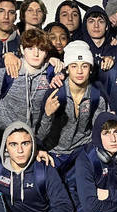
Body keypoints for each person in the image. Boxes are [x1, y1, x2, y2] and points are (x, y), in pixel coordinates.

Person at [37, 41, 111, 178]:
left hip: (82, 151)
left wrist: (108, 122)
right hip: (55, 153)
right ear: (67, 68)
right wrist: (47, 115)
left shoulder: (96, 95)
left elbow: (98, 132)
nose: (79, 71)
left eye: (84, 66)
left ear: (90, 69)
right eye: (74, 66)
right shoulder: (55, 93)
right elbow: (40, 136)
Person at [0, 27, 64, 135]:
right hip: (2, 136)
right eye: (30, 48)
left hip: (32, 138)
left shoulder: (51, 72)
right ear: (22, 49)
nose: (36, 54)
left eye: (41, 49)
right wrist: (5, 55)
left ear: (46, 52)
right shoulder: (8, 69)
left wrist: (59, 71)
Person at [80, 5, 117, 71]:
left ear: (107, 26)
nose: (96, 26)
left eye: (101, 21)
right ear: (85, 26)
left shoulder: (116, 47)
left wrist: (114, 62)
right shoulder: (79, 47)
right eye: (91, 21)